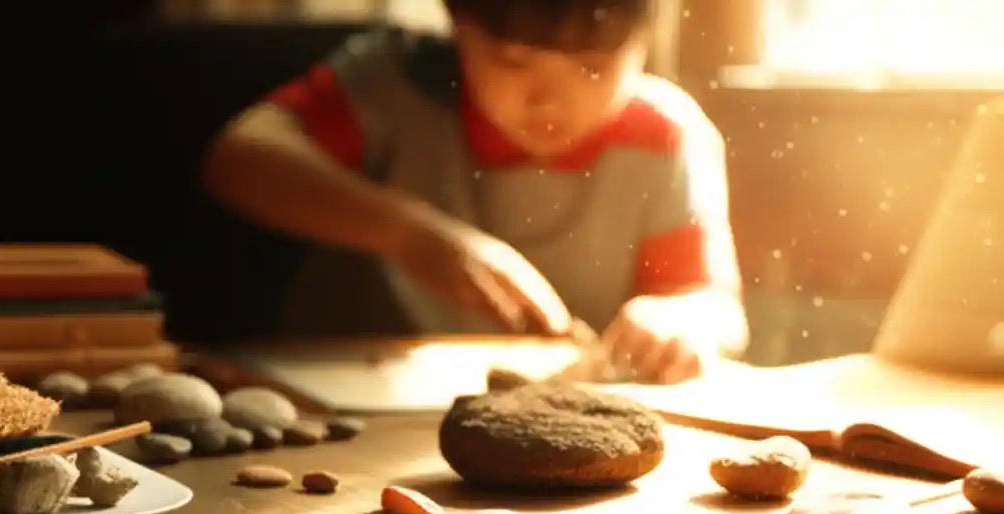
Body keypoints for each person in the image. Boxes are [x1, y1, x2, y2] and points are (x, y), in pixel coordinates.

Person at [203, 0, 749, 384]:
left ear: (644, 42)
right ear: (457, 22)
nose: (550, 100)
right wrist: (407, 233)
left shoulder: (666, 136)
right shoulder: (398, 79)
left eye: (593, 67)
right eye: (513, 59)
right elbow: (240, 158)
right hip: (352, 411)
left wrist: (683, 320)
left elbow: (715, 308)